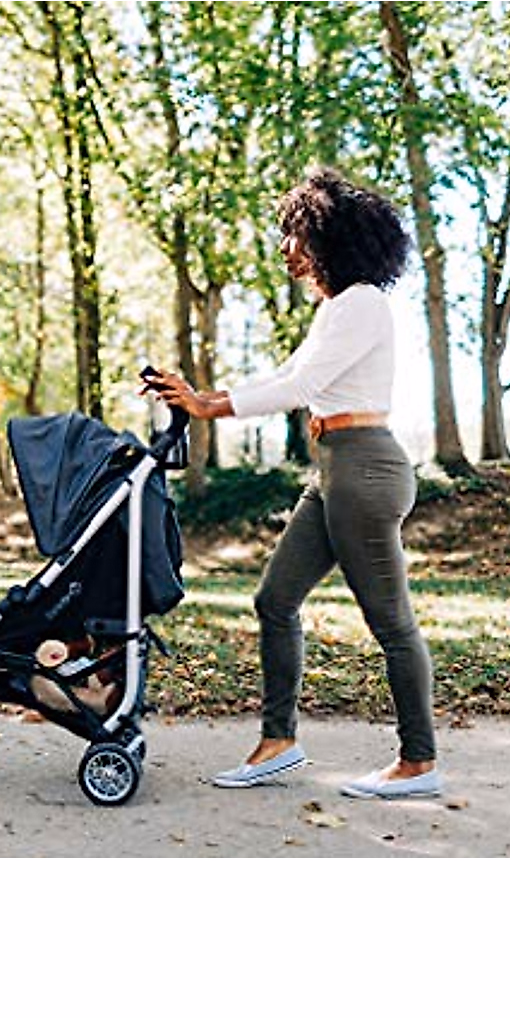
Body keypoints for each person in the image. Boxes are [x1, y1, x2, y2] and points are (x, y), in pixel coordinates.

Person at [146, 165, 442, 799]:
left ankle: (419, 761)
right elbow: (286, 375)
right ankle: (278, 742)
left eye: (296, 235)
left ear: (329, 238)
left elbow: (300, 388)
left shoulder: (362, 302)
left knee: (391, 623)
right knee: (275, 599)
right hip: (335, 468)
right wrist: (201, 396)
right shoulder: (335, 309)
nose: (286, 248)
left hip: (365, 469)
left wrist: (208, 409)